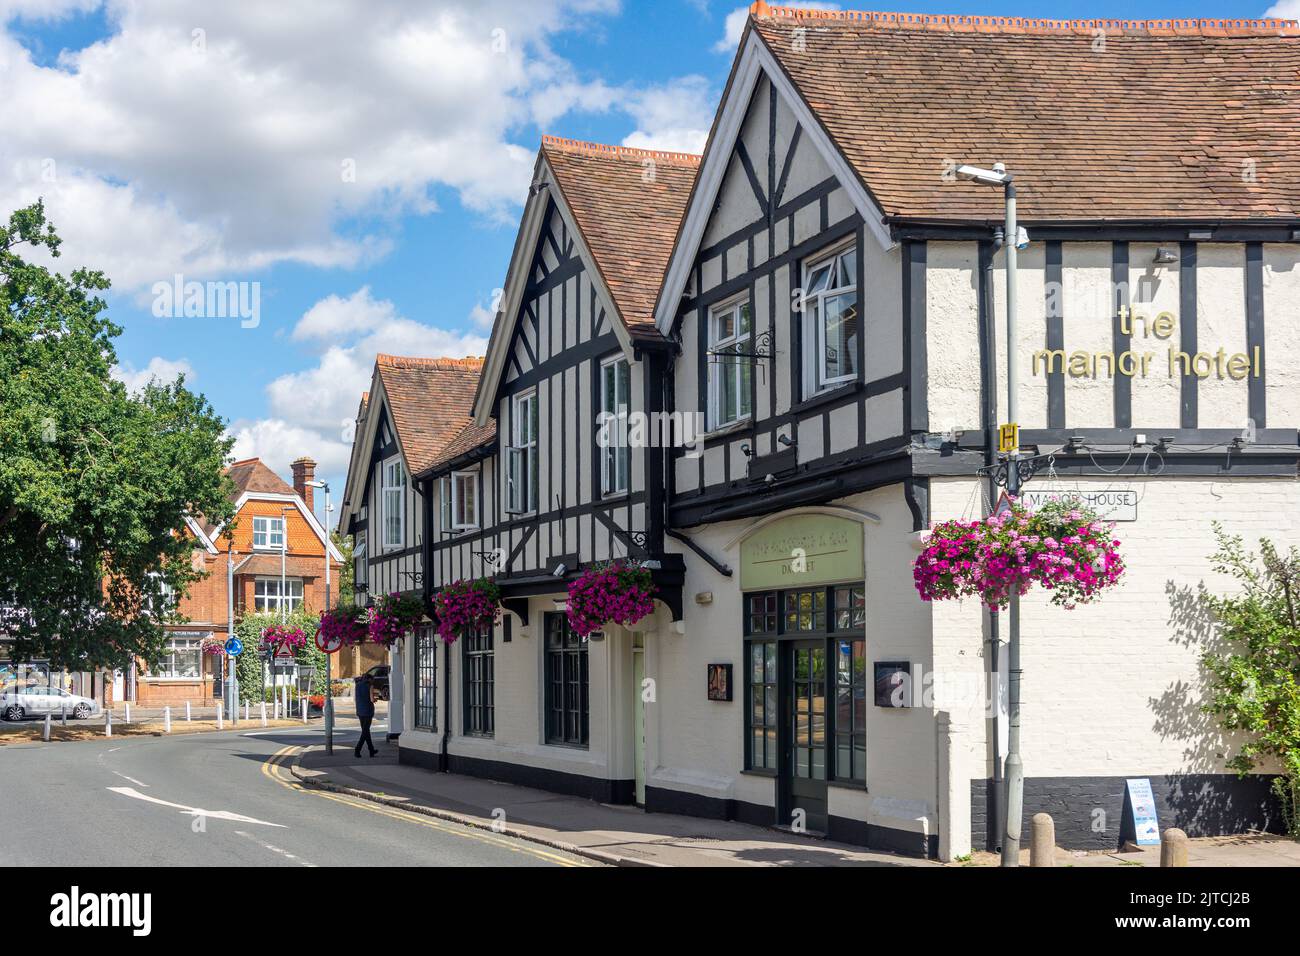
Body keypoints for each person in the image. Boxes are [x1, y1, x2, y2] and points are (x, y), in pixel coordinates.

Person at [354, 673, 378, 758]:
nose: (373, 681)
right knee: (365, 732)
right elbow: (371, 699)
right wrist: (375, 699)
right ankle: (357, 749)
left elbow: (356, 698)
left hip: (360, 711)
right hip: (368, 711)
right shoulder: (370, 686)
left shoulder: (357, 685)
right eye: (372, 679)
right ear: (369, 679)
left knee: (366, 731)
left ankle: (371, 750)